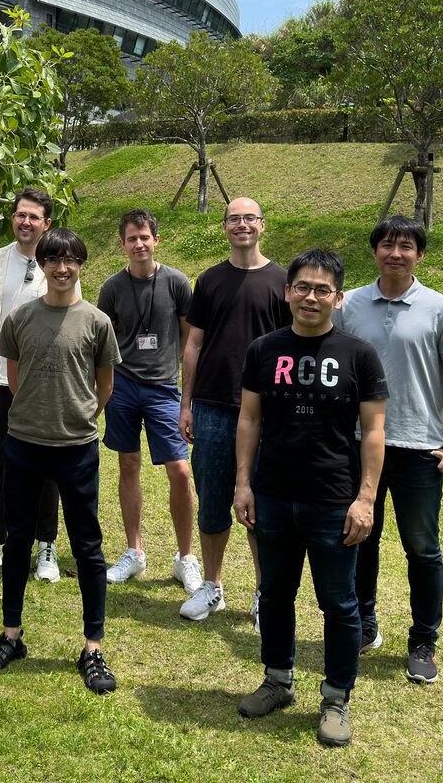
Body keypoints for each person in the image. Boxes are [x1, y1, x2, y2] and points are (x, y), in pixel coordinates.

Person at [233, 248, 387, 747]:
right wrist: (243, 482)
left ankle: (336, 697)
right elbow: (250, 419)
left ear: (338, 299)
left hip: (333, 500)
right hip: (274, 494)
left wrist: (365, 499)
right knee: (275, 593)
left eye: (323, 289)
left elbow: (373, 432)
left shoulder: (358, 355)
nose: (311, 297)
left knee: (339, 602)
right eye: (302, 287)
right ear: (287, 292)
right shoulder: (263, 350)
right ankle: (277, 680)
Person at [0, 228, 122, 695]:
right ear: (42, 265)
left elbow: (105, 386)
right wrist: (38, 416)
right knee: (17, 540)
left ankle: (93, 646)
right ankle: (11, 635)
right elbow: (14, 380)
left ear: (81, 264)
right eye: (53, 259)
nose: (62, 268)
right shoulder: (20, 319)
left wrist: (76, 418)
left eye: (70, 260)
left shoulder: (97, 322)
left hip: (76, 449)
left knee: (88, 547)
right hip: (23, 445)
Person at [332, 215, 443, 685]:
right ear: (374, 251)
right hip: (356, 443)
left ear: (420, 255)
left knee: (422, 548)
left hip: (418, 448)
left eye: (406, 246)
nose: (396, 253)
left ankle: (423, 641)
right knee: (359, 537)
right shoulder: (348, 304)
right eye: (388, 245)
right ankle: (364, 625)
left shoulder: (440, 308)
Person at [177, 197, 289, 624]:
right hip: (211, 408)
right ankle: (212, 585)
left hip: (266, 412)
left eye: (249, 218)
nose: (242, 224)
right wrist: (185, 403)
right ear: (224, 227)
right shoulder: (208, 281)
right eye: (234, 219)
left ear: (263, 225)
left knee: (262, 504)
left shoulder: (282, 280)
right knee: (212, 499)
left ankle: (264, 592)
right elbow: (194, 344)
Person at [95, 209, 199, 594]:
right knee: (128, 464)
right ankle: (134, 552)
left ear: (156, 239)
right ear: (122, 244)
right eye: (131, 238)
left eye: (145, 237)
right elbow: (102, 344)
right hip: (123, 385)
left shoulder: (176, 282)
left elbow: (191, 342)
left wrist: (188, 395)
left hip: (163, 389)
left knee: (180, 470)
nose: (139, 244)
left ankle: (185, 557)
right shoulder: (111, 288)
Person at [0, 188, 66, 583]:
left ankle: (46, 546)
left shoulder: (59, 266)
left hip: (43, 384)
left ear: (47, 223)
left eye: (34, 217)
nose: (26, 222)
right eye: (20, 215)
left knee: (46, 467)